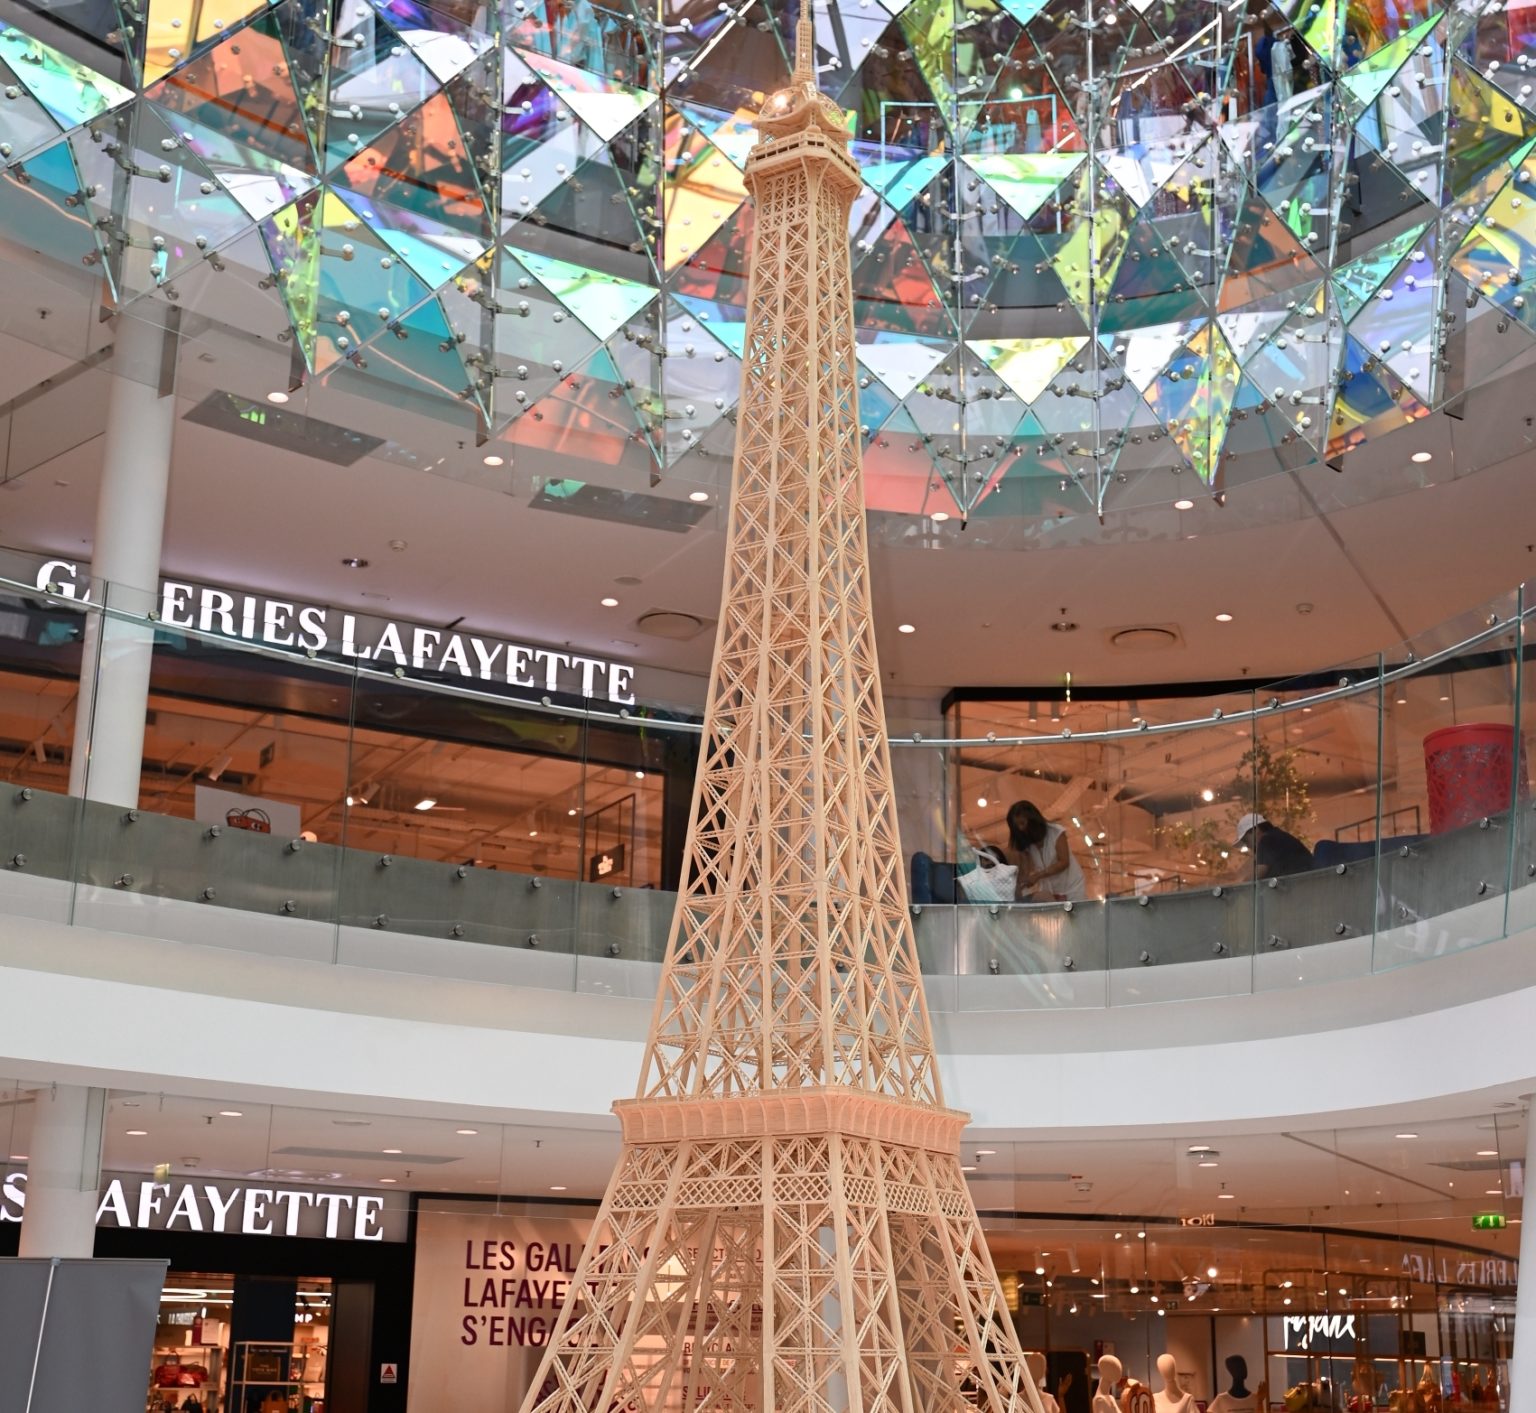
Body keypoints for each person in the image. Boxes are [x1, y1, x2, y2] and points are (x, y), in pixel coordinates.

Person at [1003, 800, 1087, 902]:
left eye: (1022, 823)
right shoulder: (1027, 844)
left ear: (1032, 820)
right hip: (1049, 892)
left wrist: (1037, 876)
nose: (1021, 829)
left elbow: (1064, 862)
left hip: (1072, 888)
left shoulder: (1056, 832)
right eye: (1017, 827)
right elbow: (1025, 868)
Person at [1234, 811, 1312, 878]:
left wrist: (1240, 889)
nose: (1247, 845)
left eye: (1246, 840)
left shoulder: (1267, 840)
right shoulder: (1277, 837)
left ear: (1255, 830)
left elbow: (1259, 873)